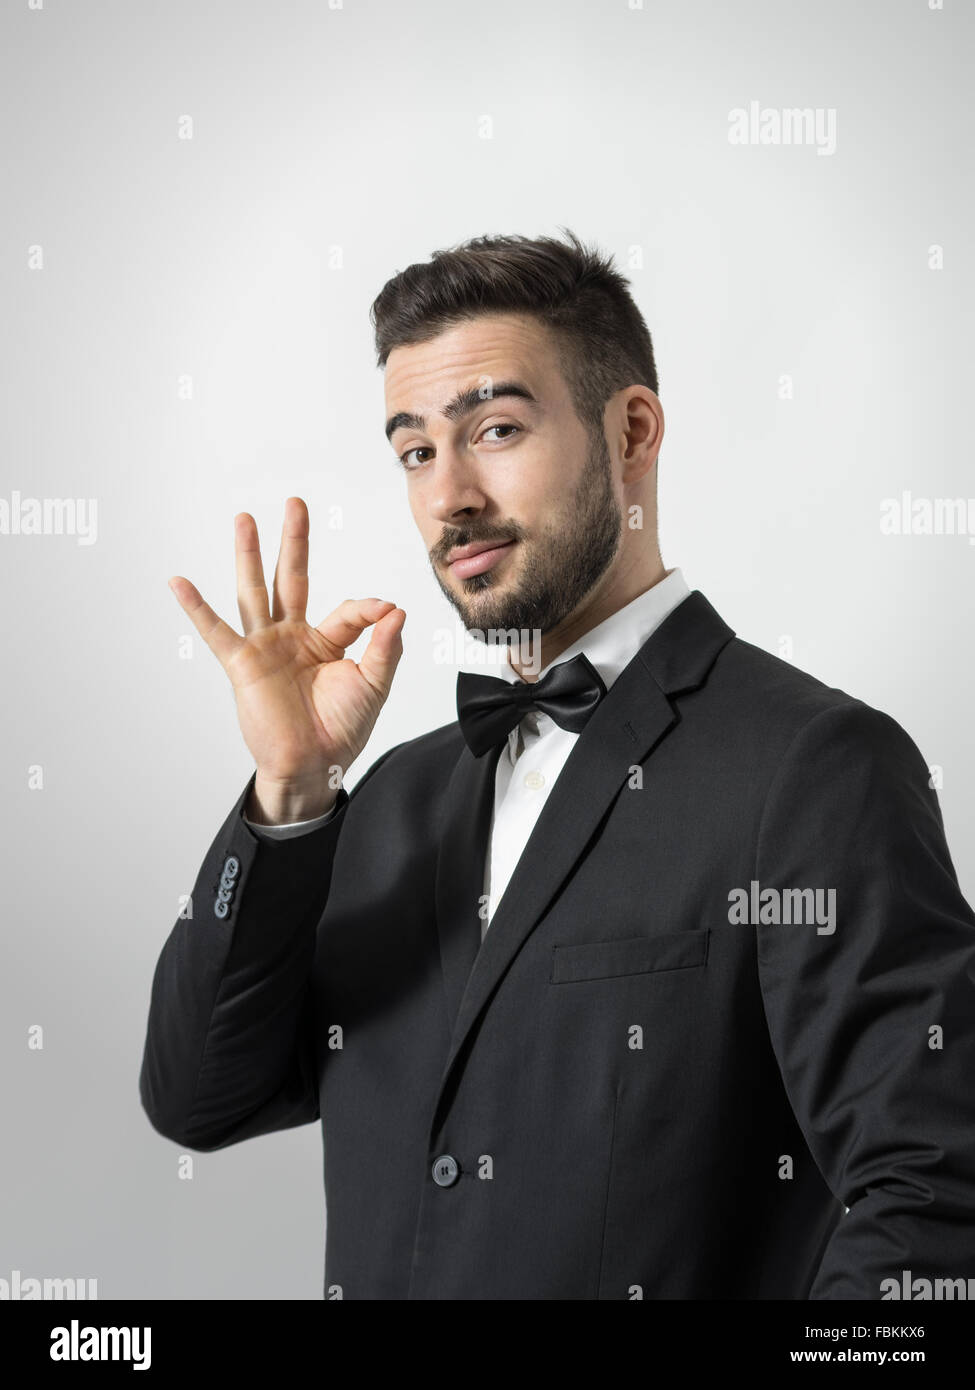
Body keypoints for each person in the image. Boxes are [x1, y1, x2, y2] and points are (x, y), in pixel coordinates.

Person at [139, 229, 975, 1300]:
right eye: (415, 452)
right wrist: (289, 800)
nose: (449, 498)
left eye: (494, 428)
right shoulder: (391, 798)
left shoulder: (817, 768)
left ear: (631, 430)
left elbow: (935, 1195)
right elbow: (196, 1098)